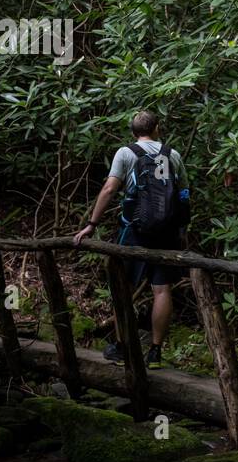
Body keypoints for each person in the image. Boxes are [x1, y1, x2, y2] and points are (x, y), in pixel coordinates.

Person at [73, 109, 190, 369]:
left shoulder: (126, 153)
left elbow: (110, 188)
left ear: (133, 132)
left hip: (134, 230)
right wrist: (181, 232)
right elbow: (183, 195)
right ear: (157, 127)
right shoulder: (173, 155)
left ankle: (123, 346)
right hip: (167, 232)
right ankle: (155, 353)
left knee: (122, 287)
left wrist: (91, 224)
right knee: (161, 290)